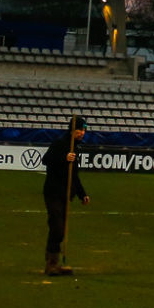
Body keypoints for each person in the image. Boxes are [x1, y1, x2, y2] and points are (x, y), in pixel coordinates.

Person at [43, 116, 89, 277]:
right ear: (72, 130)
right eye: (80, 130)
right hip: (53, 192)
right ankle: (52, 263)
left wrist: (82, 194)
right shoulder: (60, 144)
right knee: (57, 227)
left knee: (59, 228)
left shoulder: (75, 148)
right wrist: (64, 158)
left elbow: (74, 174)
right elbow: (46, 159)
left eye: (84, 130)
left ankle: (53, 263)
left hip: (65, 194)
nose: (82, 133)